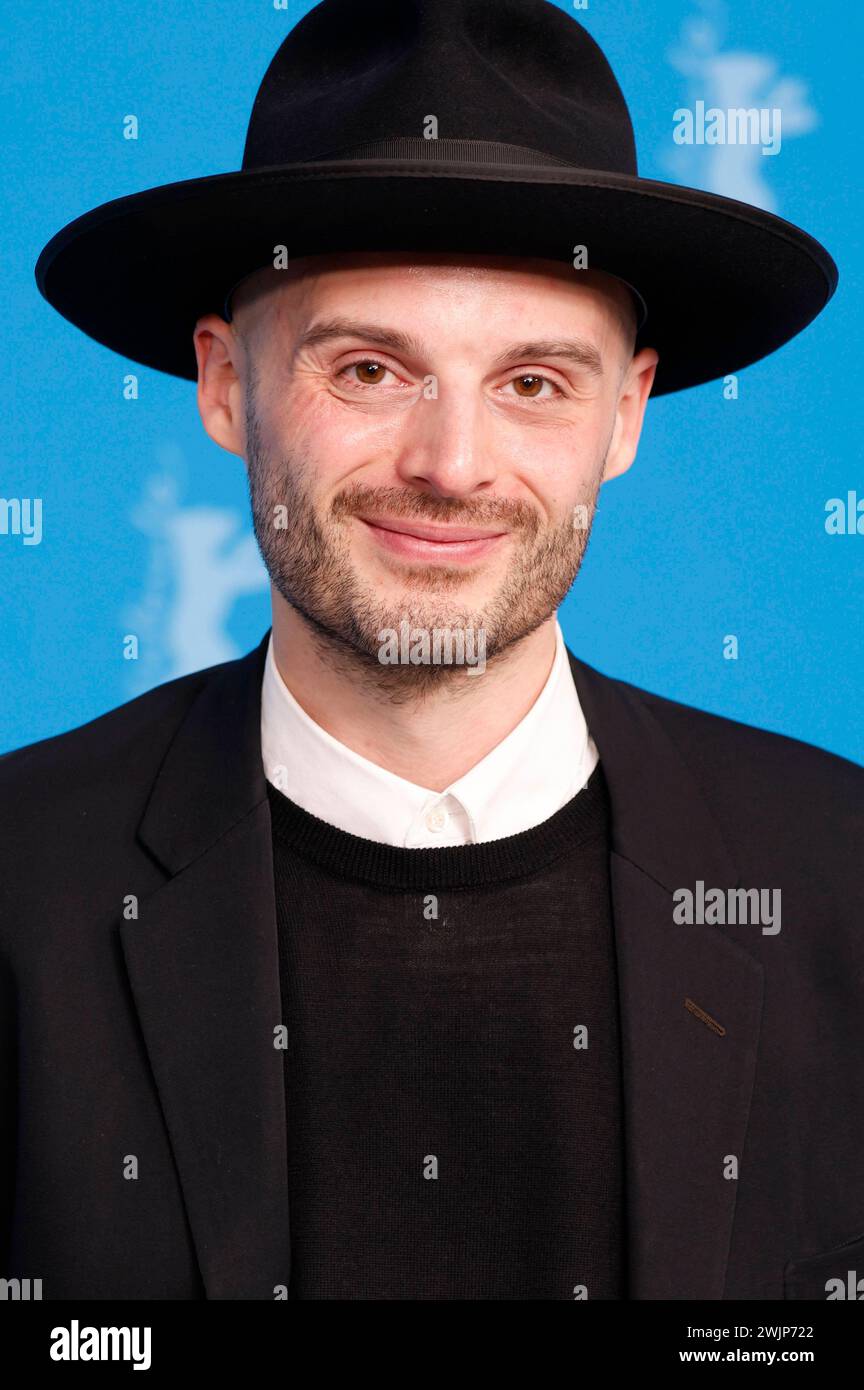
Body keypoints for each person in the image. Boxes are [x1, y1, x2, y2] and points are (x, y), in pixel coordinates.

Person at [2, 0, 862, 1301]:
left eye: (533, 383)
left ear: (626, 414)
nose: (451, 465)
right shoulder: (19, 885)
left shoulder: (841, 876)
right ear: (226, 384)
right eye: (366, 370)